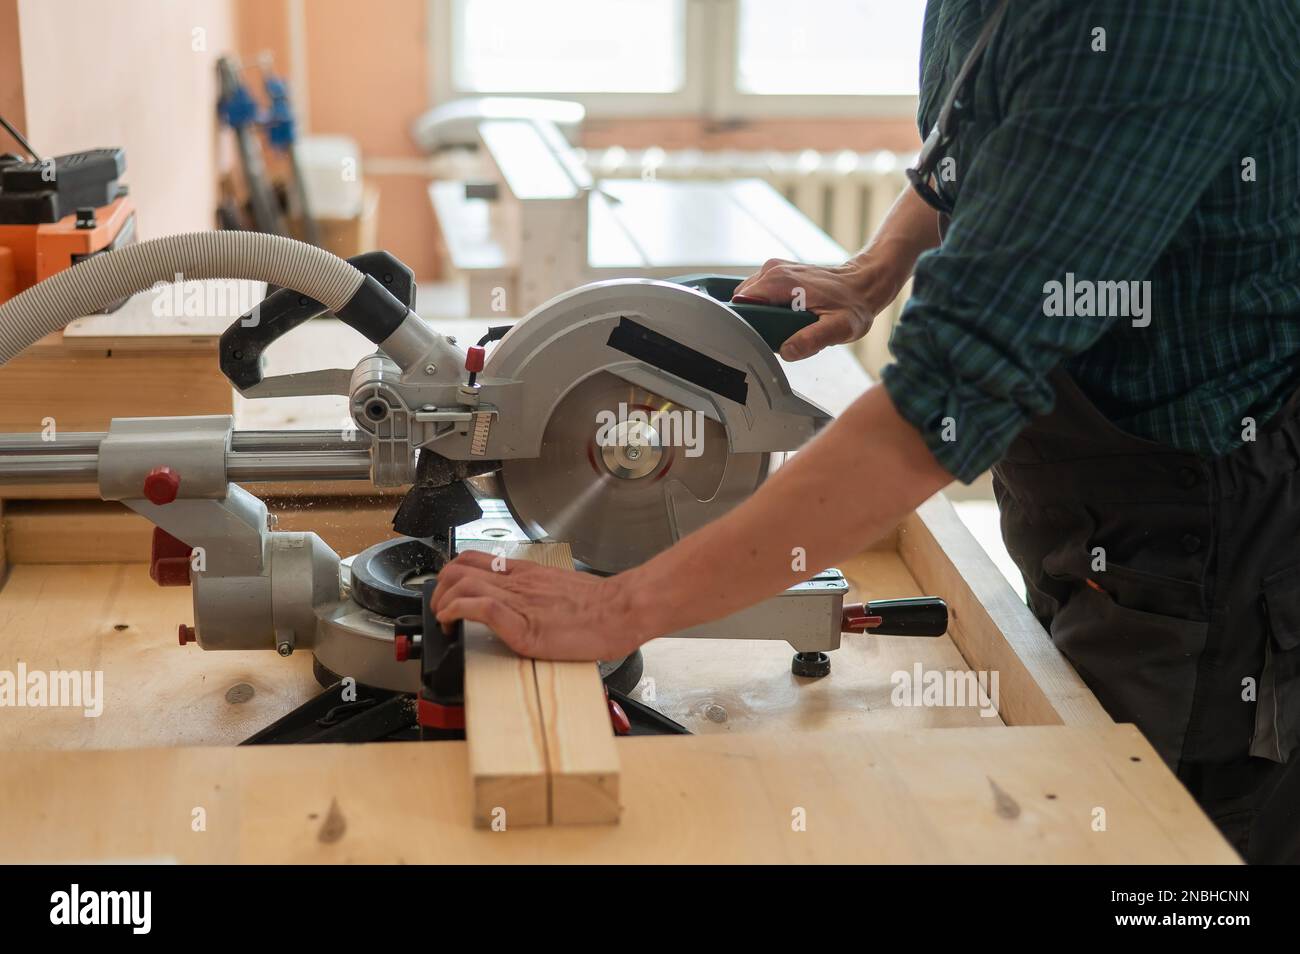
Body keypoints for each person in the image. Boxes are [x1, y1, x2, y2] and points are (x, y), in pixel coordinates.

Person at [432, 0, 1300, 862]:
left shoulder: (1163, 24)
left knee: (1165, 859)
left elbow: (943, 400)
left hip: (1210, 540)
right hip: (1100, 502)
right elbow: (986, 143)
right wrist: (874, 270)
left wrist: (625, 606)